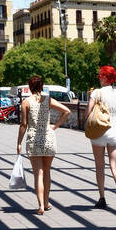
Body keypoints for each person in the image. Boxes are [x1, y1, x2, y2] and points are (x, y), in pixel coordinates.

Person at [16, 75, 73, 214]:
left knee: (38, 174)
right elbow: (67, 111)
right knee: (47, 172)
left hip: (34, 139)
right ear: (41, 86)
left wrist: (18, 142)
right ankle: (47, 203)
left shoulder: (26, 102)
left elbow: (23, 124)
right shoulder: (48, 100)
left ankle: (40, 205)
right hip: (48, 137)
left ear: (30, 87)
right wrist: (56, 126)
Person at [86, 65, 116, 214]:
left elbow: (88, 112)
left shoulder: (96, 93)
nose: (99, 77)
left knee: (99, 166)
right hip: (115, 131)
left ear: (105, 77)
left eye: (100, 75)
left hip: (99, 131)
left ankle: (102, 198)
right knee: (115, 165)